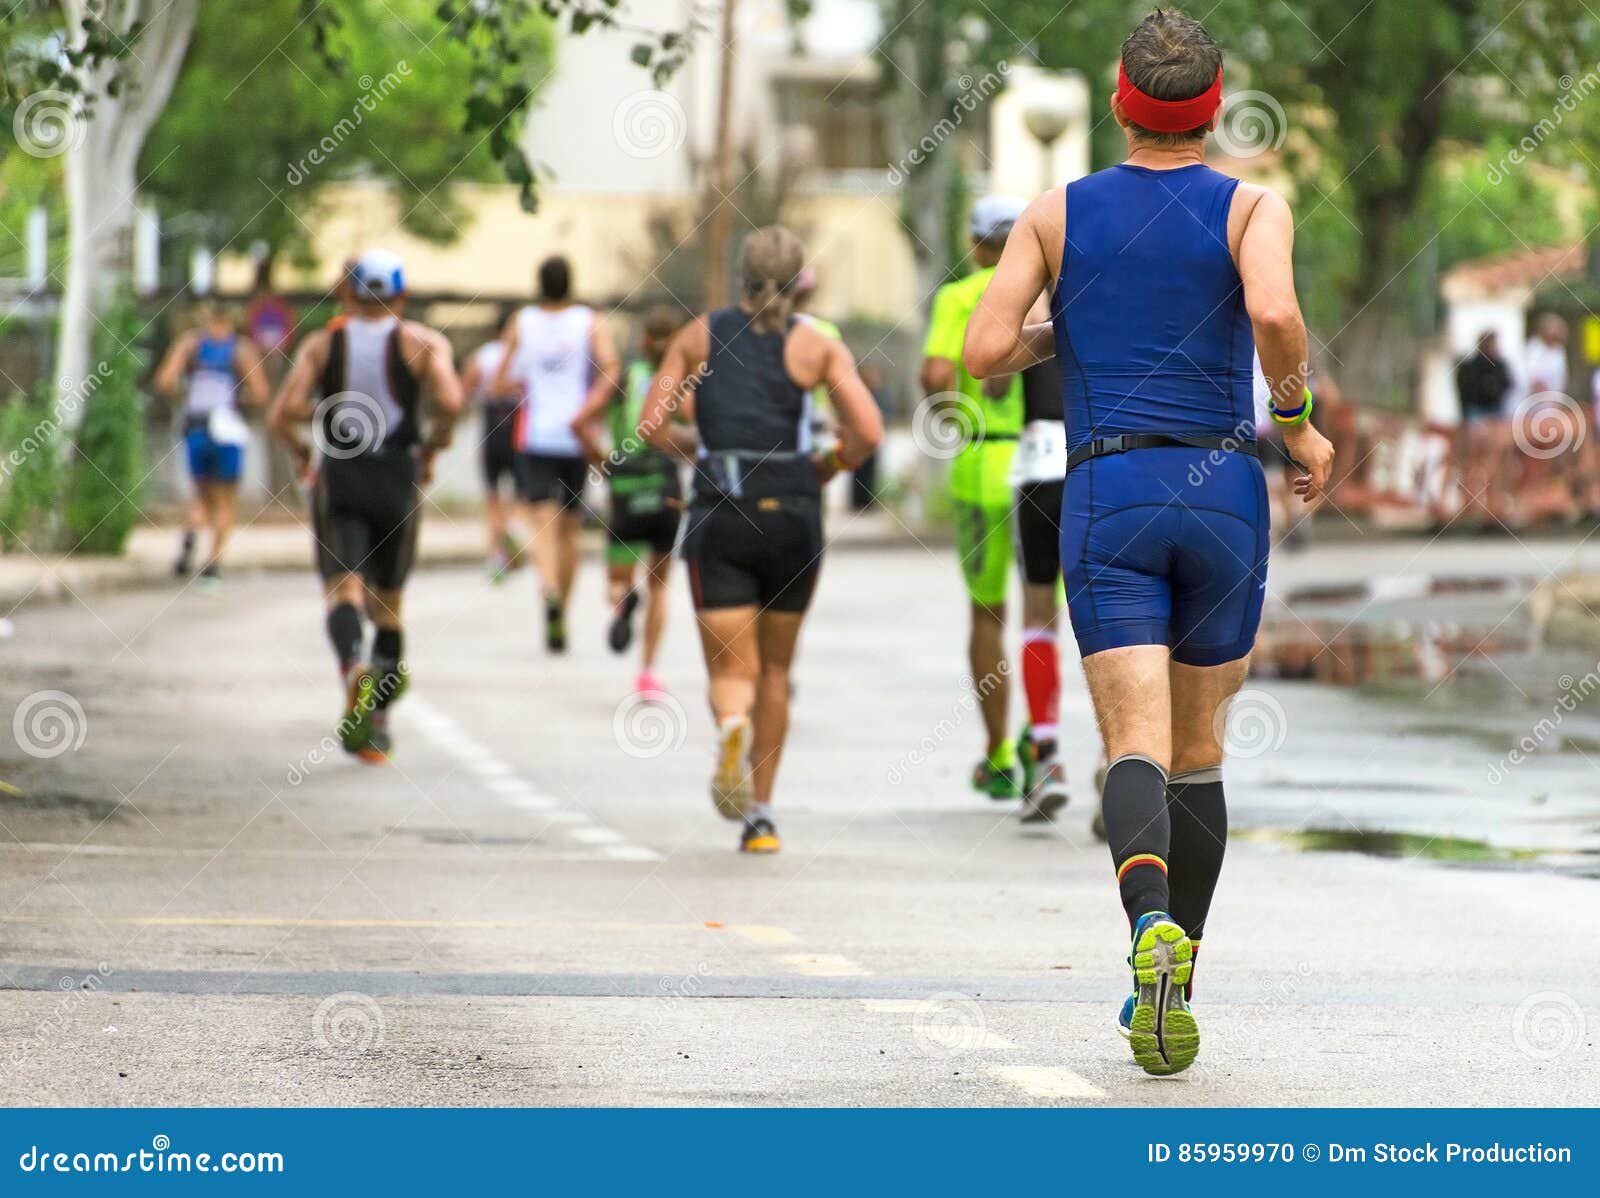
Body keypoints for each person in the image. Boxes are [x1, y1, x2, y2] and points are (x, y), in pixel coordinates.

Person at [963, 9, 1333, 1075]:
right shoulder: (1252, 206)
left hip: (1110, 485)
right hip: (1221, 489)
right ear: (1211, 111)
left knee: (1134, 743)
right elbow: (1274, 314)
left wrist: (1063, 324)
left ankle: (1146, 930)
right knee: (1200, 753)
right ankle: (1179, 977)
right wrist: (1298, 419)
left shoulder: (1055, 212)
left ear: (1121, 103)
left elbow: (985, 351)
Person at [639, 227, 884, 854]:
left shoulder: (699, 335)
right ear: (801, 281)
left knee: (732, 669)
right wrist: (829, 465)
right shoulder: (817, 345)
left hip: (721, 512)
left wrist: (701, 448)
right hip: (793, 514)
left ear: (739, 277)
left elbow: (651, 424)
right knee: (776, 669)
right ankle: (762, 817)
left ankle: (731, 722)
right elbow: (868, 431)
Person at [267, 250, 465, 764]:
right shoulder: (424, 343)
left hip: (342, 474)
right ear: (402, 295)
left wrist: (305, 449)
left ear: (350, 293)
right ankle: (377, 726)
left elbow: (283, 413)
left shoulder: (323, 344)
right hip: (397, 475)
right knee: (390, 604)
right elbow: (451, 401)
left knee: (343, 589)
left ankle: (353, 665)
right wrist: (434, 445)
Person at [921, 194, 1029, 801]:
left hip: (983, 462)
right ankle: (1046, 741)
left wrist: (952, 419)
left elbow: (937, 376)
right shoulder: (1051, 294)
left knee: (988, 616)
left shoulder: (960, 297)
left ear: (975, 244)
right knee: (1046, 617)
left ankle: (1001, 754)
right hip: (1048, 467)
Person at [491, 256, 622, 652]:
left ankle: (547, 589)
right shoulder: (589, 321)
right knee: (570, 529)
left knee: (542, 525)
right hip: (575, 437)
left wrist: (523, 385)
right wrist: (590, 407)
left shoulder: (522, 322)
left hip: (536, 437)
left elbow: (498, 382)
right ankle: (562, 611)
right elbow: (611, 369)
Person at [571, 305, 686, 697]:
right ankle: (647, 672)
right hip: (666, 488)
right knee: (660, 586)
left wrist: (600, 462)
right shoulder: (680, 383)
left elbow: (578, 423)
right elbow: (699, 431)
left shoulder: (619, 379)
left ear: (643, 340)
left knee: (616, 583)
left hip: (625, 488)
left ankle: (623, 601)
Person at [153, 303, 268, 582]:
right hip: (227, 429)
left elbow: (164, 381)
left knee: (201, 496)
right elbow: (261, 392)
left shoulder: (190, 345)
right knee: (226, 500)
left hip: (197, 427)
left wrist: (185, 394)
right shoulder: (241, 349)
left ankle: (192, 530)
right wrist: (240, 398)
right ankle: (213, 564)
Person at [1011, 304, 1071, 823]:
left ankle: (1047, 757)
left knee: (1038, 613)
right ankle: (1120, 764)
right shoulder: (1116, 280)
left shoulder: (1031, 297)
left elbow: (991, 378)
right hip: (1103, 459)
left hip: (1040, 465)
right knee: (1114, 618)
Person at [462, 305, 521, 582]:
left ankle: (496, 554)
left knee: (492, 495)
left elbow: (464, 391)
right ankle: (509, 543)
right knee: (518, 496)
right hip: (517, 426)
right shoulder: (522, 355)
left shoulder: (482, 355)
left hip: (491, 425)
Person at [1455, 331, 1511, 523]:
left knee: (1498, 457)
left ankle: (1496, 502)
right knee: (1474, 460)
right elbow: (1467, 395)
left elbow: (1505, 387)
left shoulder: (1500, 366)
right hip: (1476, 416)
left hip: (1495, 416)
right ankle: (1471, 503)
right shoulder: (1469, 367)